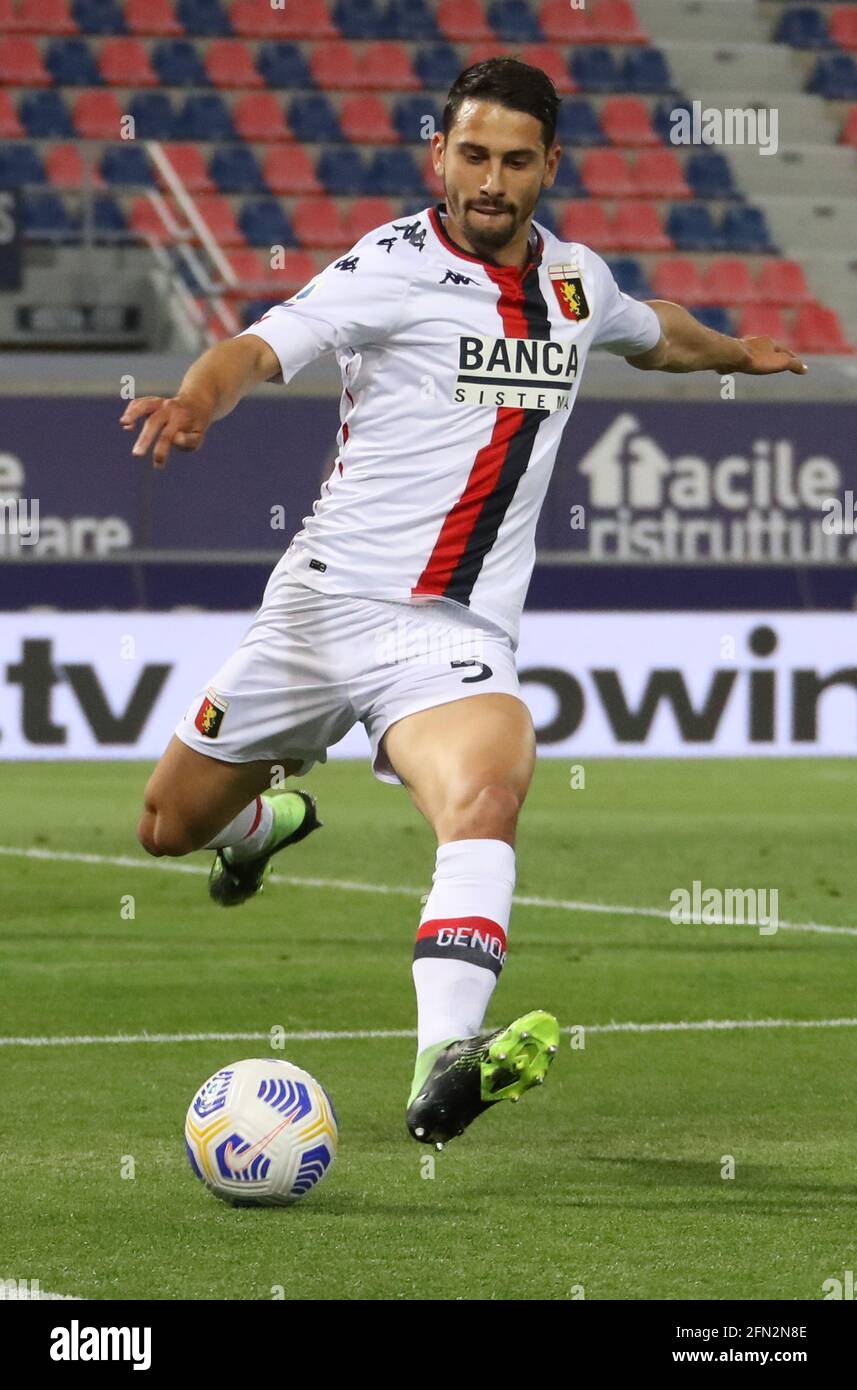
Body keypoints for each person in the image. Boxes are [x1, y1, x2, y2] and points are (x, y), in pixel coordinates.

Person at [121, 58, 807, 1148]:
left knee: (486, 792)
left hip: (447, 638)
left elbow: (652, 330)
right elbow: (258, 346)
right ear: (436, 154)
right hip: (319, 609)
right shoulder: (387, 265)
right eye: (472, 155)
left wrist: (736, 352)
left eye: (515, 161)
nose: (489, 180)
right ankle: (261, 823)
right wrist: (198, 402)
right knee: (166, 827)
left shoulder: (574, 284)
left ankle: (444, 1056)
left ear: (550, 168)